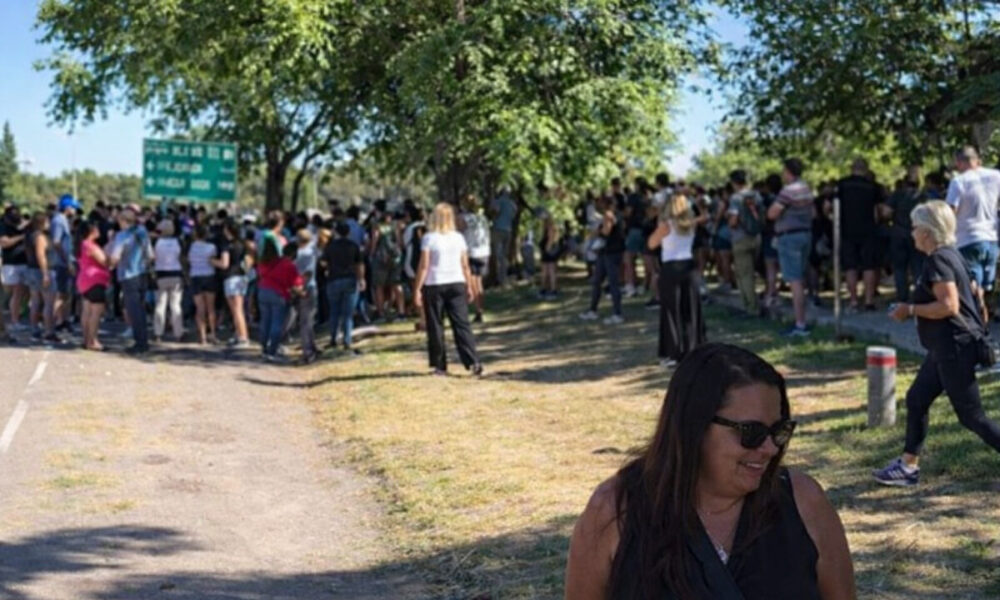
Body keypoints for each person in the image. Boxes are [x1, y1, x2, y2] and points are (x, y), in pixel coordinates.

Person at [565, 343, 856, 599]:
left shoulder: (803, 502)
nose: (769, 448)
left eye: (779, 431)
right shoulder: (615, 510)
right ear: (694, 426)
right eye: (751, 432)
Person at [875, 201, 1000, 486]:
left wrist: (910, 310)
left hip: (954, 347)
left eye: (916, 227)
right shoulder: (954, 256)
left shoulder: (938, 260)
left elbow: (948, 305)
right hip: (945, 348)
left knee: (972, 416)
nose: (913, 234)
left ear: (928, 232)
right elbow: (978, 299)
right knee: (917, 399)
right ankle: (908, 466)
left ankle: (908, 466)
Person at [412, 202, 482, 377]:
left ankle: (440, 365)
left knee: (436, 325)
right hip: (456, 282)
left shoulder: (429, 238)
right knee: (462, 324)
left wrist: (417, 289)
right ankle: (473, 361)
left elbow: (424, 266)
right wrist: (470, 286)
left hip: (434, 284)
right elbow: (465, 265)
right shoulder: (458, 237)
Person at [648, 194, 705, 369]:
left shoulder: (666, 226)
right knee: (690, 310)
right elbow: (703, 216)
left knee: (671, 311)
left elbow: (651, 244)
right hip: (689, 267)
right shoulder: (690, 225)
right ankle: (693, 349)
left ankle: (673, 352)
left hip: (671, 267)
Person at [946, 146, 1000, 307]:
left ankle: (977, 322)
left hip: (967, 238)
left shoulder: (958, 181)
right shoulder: (996, 176)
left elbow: (950, 211)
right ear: (977, 160)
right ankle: (985, 315)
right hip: (991, 238)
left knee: (973, 286)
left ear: (959, 162)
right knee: (986, 285)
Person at [767, 158, 816, 336]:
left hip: (789, 237)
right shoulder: (807, 189)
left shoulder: (788, 191)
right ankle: (801, 319)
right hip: (805, 234)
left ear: (788, 171)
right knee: (800, 278)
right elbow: (813, 213)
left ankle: (800, 324)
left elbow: (772, 213)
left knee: (794, 281)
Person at [837, 158, 884, 311]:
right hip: (868, 230)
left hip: (847, 230)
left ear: (851, 168)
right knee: (868, 266)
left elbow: (830, 207)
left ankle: (853, 301)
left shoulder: (842, 184)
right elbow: (878, 211)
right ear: (866, 169)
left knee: (850, 267)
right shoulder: (873, 187)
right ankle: (869, 300)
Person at [109, 207, 154, 354]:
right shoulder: (143, 232)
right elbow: (151, 255)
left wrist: (109, 263)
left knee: (133, 310)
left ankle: (140, 343)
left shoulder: (122, 236)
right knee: (140, 309)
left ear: (123, 221)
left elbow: (115, 257)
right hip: (143, 274)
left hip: (128, 275)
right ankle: (143, 340)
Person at [579, 196, 626, 325]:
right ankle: (593, 309)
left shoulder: (609, 215)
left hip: (610, 252)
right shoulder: (619, 215)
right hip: (607, 252)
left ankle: (617, 313)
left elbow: (606, 232)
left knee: (612, 283)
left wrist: (597, 232)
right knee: (597, 281)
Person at [322, 221, 365, 355]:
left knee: (334, 311)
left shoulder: (330, 246)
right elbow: (359, 264)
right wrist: (361, 279)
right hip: (350, 279)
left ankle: (333, 338)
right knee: (348, 314)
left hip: (334, 279)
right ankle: (347, 340)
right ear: (349, 233)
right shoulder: (354, 246)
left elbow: (323, 262)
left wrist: (327, 269)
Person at [256, 239, 303, 362]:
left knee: (265, 321)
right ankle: (273, 350)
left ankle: (264, 348)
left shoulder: (268, 262)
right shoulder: (289, 265)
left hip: (263, 290)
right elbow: (296, 284)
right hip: (278, 294)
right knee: (277, 323)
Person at [727, 170, 764, 316]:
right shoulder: (757, 195)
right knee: (751, 271)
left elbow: (734, 220)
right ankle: (751, 304)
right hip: (756, 236)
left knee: (744, 275)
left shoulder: (735, 198)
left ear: (734, 182)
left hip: (740, 238)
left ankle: (750, 307)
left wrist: (729, 222)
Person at [885, 173, 925, 302]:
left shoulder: (897, 195)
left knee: (899, 268)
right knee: (918, 267)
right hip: (917, 233)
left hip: (898, 233)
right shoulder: (922, 196)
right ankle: (920, 296)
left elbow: (886, 212)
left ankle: (902, 298)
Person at [25, 212, 60, 343]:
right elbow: (41, 255)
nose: (49, 224)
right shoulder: (40, 237)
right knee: (48, 302)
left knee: (35, 301)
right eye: (47, 222)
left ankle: (34, 330)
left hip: (32, 270)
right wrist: (45, 273)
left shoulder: (30, 235)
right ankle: (49, 331)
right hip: (42, 271)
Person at [76, 221, 110, 351]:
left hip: (84, 279)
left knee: (86, 311)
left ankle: (86, 339)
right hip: (95, 279)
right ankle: (93, 340)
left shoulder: (81, 244)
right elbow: (104, 261)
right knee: (95, 313)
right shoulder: (91, 245)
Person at [218, 220, 250, 347]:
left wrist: (213, 261)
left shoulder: (226, 245)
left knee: (236, 310)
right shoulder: (242, 244)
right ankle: (239, 334)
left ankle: (243, 337)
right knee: (239, 308)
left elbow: (224, 264)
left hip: (231, 277)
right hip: (241, 276)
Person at [50, 195, 80, 332]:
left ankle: (65, 320)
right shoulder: (58, 221)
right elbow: (56, 242)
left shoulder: (64, 220)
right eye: (73, 208)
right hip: (62, 263)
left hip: (67, 261)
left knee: (67, 294)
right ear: (67, 207)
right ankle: (56, 321)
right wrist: (67, 261)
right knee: (61, 294)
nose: (75, 211)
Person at [459, 195, 491, 321]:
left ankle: (471, 309)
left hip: (471, 251)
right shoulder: (482, 218)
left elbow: (459, 232)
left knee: (470, 282)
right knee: (479, 282)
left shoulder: (464, 218)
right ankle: (479, 309)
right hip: (484, 251)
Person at [187, 225, 219, 345]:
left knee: (200, 308)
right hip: (209, 276)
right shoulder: (212, 247)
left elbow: (189, 261)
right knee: (211, 308)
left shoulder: (192, 247)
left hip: (195, 276)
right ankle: (213, 334)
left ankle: (202, 336)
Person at [153, 220, 184, 342]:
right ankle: (178, 333)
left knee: (160, 304)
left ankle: (158, 333)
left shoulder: (157, 242)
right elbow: (181, 257)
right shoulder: (178, 241)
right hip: (176, 273)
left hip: (161, 273)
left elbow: (153, 257)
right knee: (175, 305)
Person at [293, 228, 319, 362]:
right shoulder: (311, 252)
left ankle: (308, 351)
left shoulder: (304, 254)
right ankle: (311, 347)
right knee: (308, 320)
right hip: (310, 287)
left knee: (305, 322)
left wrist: (299, 287)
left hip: (306, 288)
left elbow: (306, 273)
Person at [1, 206, 29, 331]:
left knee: (20, 293)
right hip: (11, 264)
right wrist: (21, 237)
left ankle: (15, 318)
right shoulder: (3, 227)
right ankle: (13, 320)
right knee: (12, 293)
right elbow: (5, 242)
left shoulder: (18, 226)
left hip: (23, 262)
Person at [489, 188, 517, 287]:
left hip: (498, 229)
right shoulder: (512, 204)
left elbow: (495, 211)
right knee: (504, 256)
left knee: (498, 255)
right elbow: (513, 216)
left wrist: (494, 217)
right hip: (508, 230)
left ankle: (499, 279)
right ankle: (504, 278)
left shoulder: (498, 201)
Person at [539, 211, 562, 300]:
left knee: (551, 271)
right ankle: (545, 289)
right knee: (546, 272)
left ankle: (553, 290)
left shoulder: (550, 227)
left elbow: (551, 239)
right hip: (546, 251)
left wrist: (547, 249)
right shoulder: (545, 228)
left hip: (549, 252)